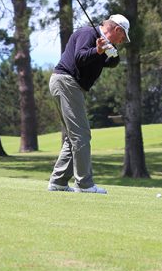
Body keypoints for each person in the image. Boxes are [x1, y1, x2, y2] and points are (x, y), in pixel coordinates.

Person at [47, 13, 131, 194]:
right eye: (122, 36)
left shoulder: (104, 42)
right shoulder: (88, 34)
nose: (122, 40)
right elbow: (80, 57)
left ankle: (59, 182)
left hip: (67, 84)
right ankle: (84, 184)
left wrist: (111, 53)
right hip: (67, 82)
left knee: (73, 136)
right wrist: (98, 51)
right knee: (81, 135)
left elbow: (111, 62)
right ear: (116, 29)